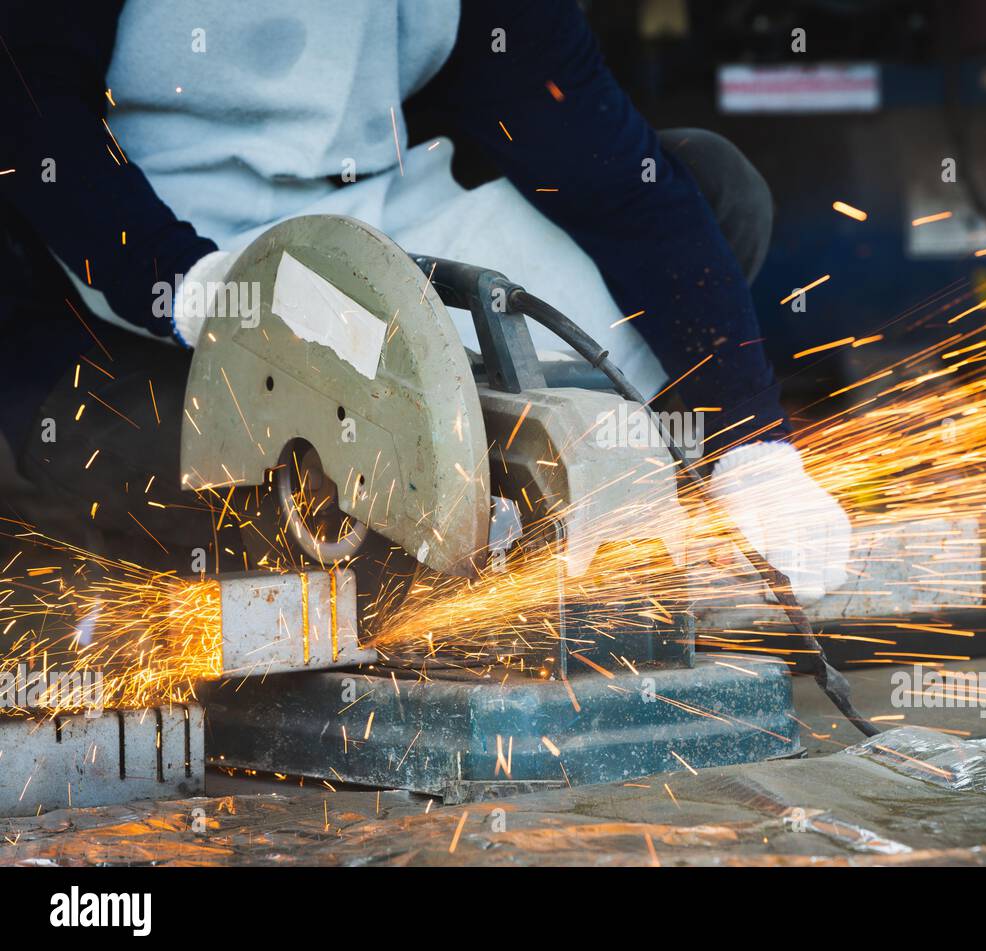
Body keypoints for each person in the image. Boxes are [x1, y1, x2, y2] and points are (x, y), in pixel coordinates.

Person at [0, 0, 849, 601]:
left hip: (374, 213)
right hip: (133, 255)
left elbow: (615, 183)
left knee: (711, 189)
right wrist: (186, 284)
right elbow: (30, 110)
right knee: (205, 506)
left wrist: (753, 447)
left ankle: (480, 500)